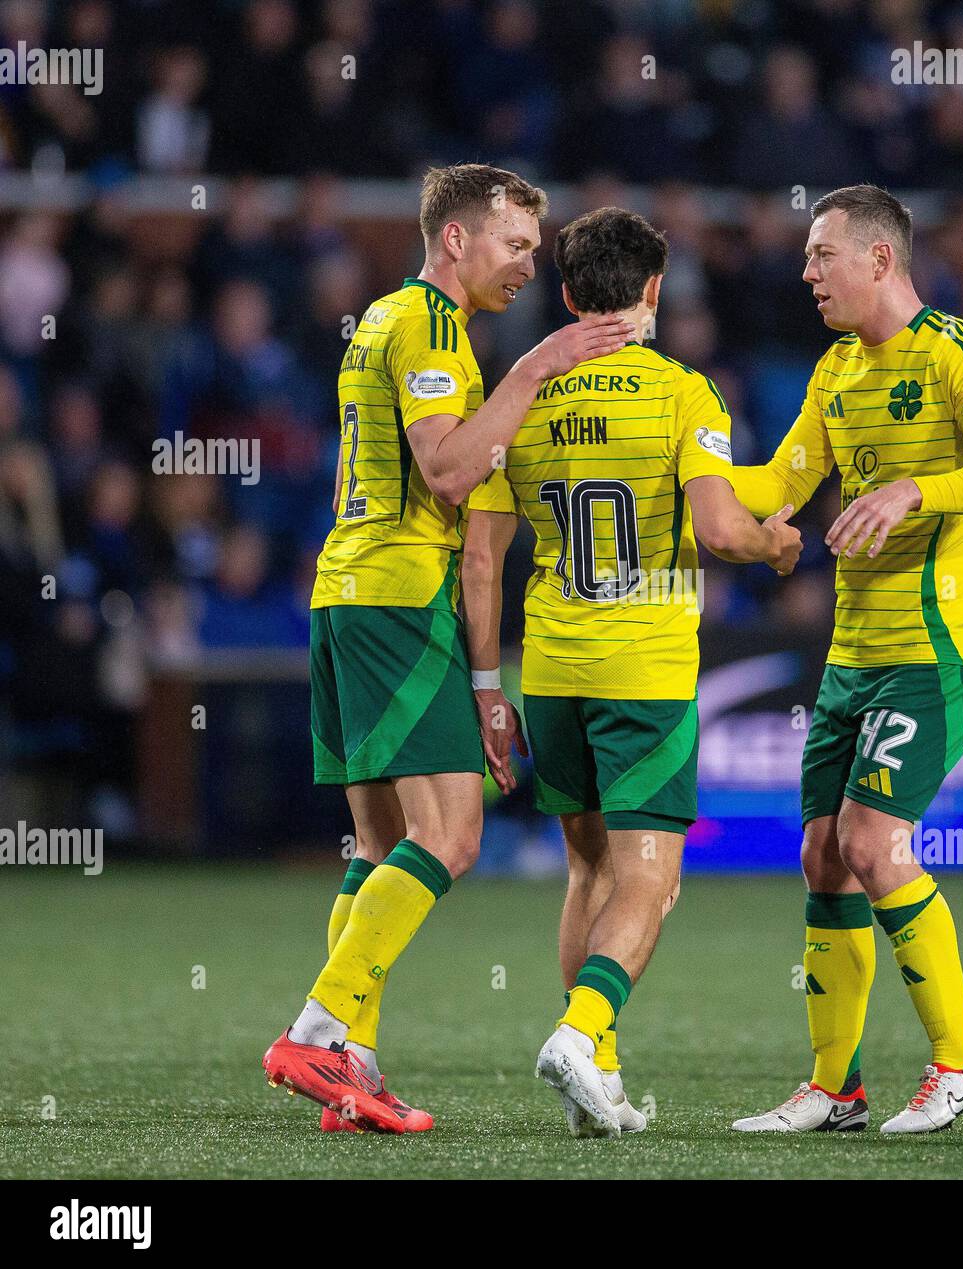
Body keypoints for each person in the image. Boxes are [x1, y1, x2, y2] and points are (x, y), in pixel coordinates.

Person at [260, 164, 633, 1134]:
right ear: (455, 240)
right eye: (514, 245)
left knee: (379, 845)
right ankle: (314, 1031)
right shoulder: (428, 325)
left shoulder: (390, 324)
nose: (527, 265)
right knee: (451, 836)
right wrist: (536, 369)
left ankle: (352, 1063)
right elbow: (450, 466)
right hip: (394, 594)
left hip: (345, 594)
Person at [461, 207, 802, 1136]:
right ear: (654, 291)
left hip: (554, 667)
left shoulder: (519, 397)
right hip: (643, 665)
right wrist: (775, 547)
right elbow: (723, 529)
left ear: (569, 295)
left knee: (586, 865)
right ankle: (581, 1030)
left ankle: (599, 1076)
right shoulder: (683, 392)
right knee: (651, 877)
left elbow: (482, 559)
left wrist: (489, 688)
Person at [728, 184, 963, 1135]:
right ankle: (835, 1088)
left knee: (870, 842)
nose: (807, 271)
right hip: (852, 654)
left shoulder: (955, 350)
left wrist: (913, 489)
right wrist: (683, 466)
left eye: (822, 255)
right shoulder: (834, 373)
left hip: (937, 647)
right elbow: (779, 481)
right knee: (823, 855)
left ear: (881, 260)